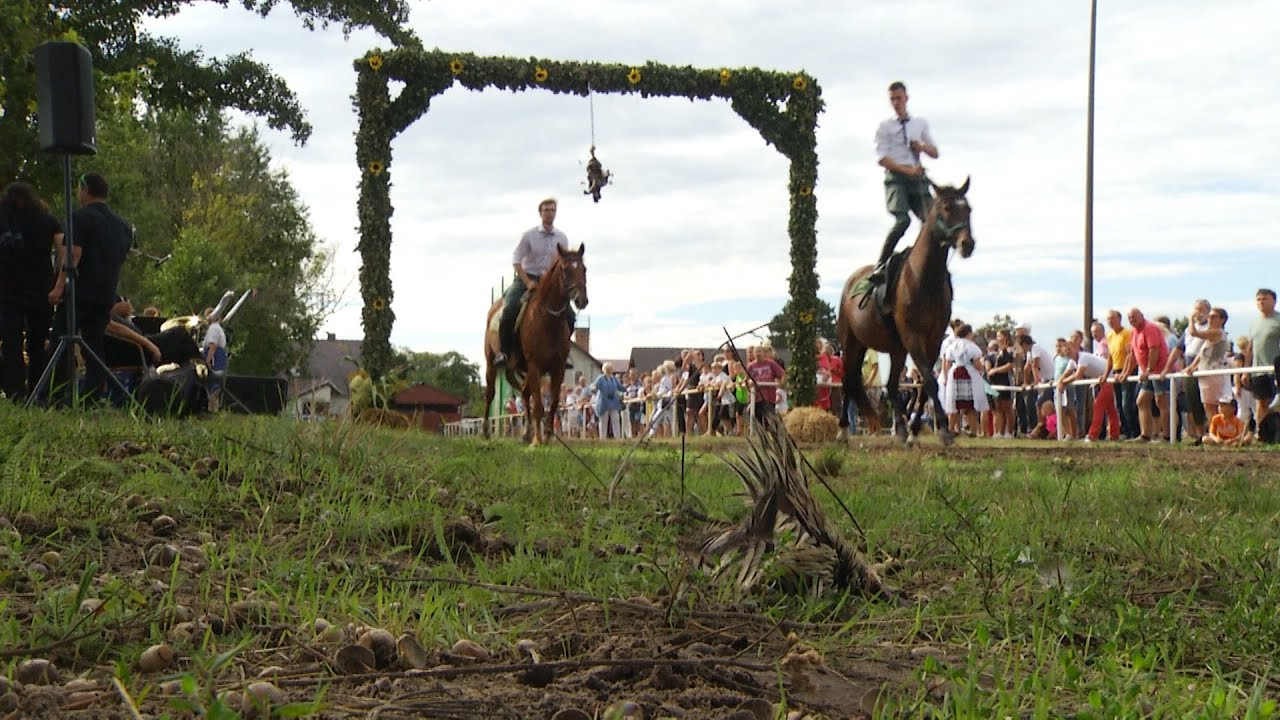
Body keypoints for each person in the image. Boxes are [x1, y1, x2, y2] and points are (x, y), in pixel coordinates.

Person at [48, 172, 133, 401]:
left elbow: (72, 256)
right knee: (94, 346)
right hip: (105, 294)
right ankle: (93, 398)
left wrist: (58, 288)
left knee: (61, 341)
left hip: (79, 293)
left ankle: (55, 397)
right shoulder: (122, 225)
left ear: (85, 190)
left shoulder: (80, 218)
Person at [869, 81, 938, 283]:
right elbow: (882, 158)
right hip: (897, 179)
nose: (896, 103)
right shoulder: (885, 127)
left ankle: (928, 262)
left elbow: (935, 152)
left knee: (933, 220)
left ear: (906, 98)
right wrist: (907, 170)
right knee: (902, 221)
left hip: (917, 179)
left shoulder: (919, 123)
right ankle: (881, 263)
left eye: (899, 98)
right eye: (892, 99)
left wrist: (922, 147)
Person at [0, 182, 63, 401]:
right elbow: (63, 249)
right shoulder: (48, 221)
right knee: (37, 345)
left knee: (12, 345)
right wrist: (58, 281)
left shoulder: (5, 220)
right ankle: (39, 392)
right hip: (41, 290)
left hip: (9, 291)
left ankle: (15, 394)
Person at [493, 198, 571, 367]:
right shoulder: (529, 235)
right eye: (546, 210)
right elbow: (516, 260)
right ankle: (504, 352)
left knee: (570, 314)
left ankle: (565, 353)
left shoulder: (562, 238)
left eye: (552, 210)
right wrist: (527, 281)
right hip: (527, 278)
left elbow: (562, 264)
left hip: (549, 283)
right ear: (540, 213)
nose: (550, 213)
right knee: (510, 308)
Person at [1246, 288, 1280, 421]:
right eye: (1259, 299)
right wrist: (1246, 371)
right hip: (1258, 370)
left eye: (1265, 299)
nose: (1261, 302)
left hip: (1275, 369)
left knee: (1276, 402)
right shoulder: (1254, 323)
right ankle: (1261, 433)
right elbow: (1250, 348)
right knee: (1261, 402)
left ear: (1274, 301)